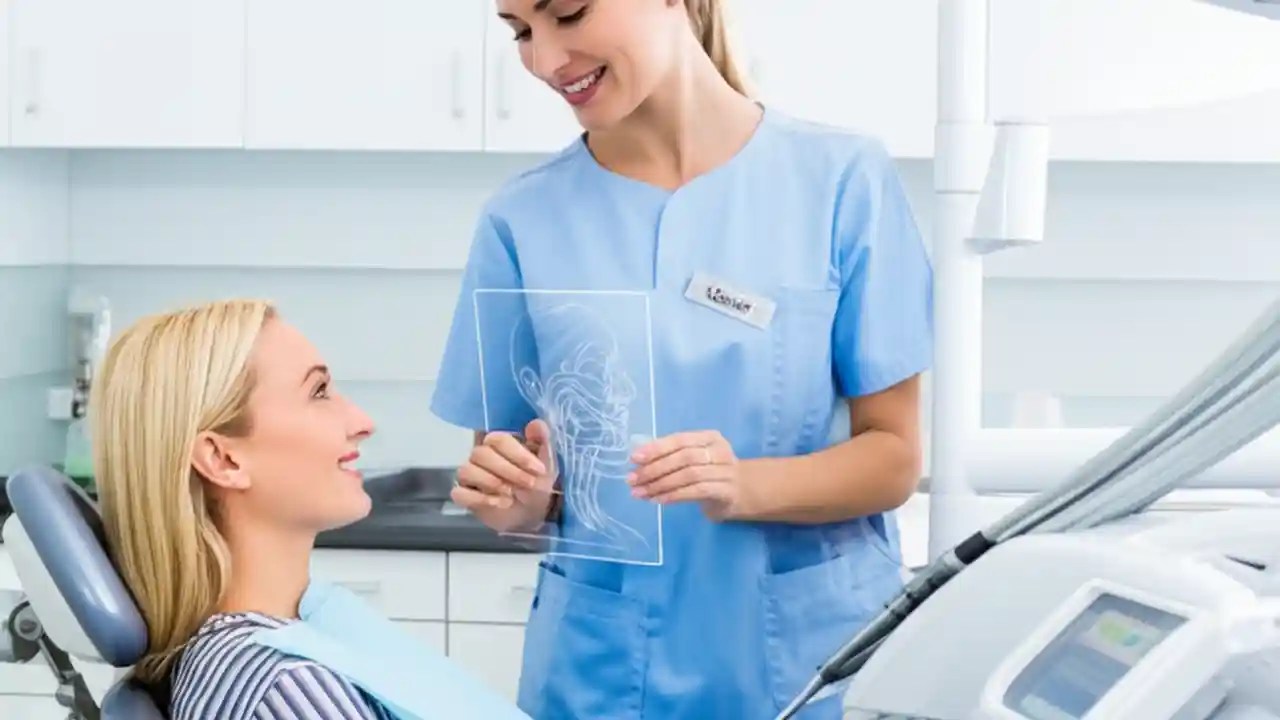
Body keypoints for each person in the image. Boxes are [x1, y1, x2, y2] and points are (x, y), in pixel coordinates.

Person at [429, 0, 934, 718]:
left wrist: (743, 485)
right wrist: (518, 500)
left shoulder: (840, 181)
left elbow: (892, 459)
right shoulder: (522, 219)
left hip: (809, 668)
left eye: (567, 14)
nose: (543, 60)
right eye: (520, 32)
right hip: (601, 675)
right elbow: (514, 492)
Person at [90, 300, 527, 720]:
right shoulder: (286, 689)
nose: (362, 422)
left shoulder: (255, 651)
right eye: (318, 392)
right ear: (224, 460)